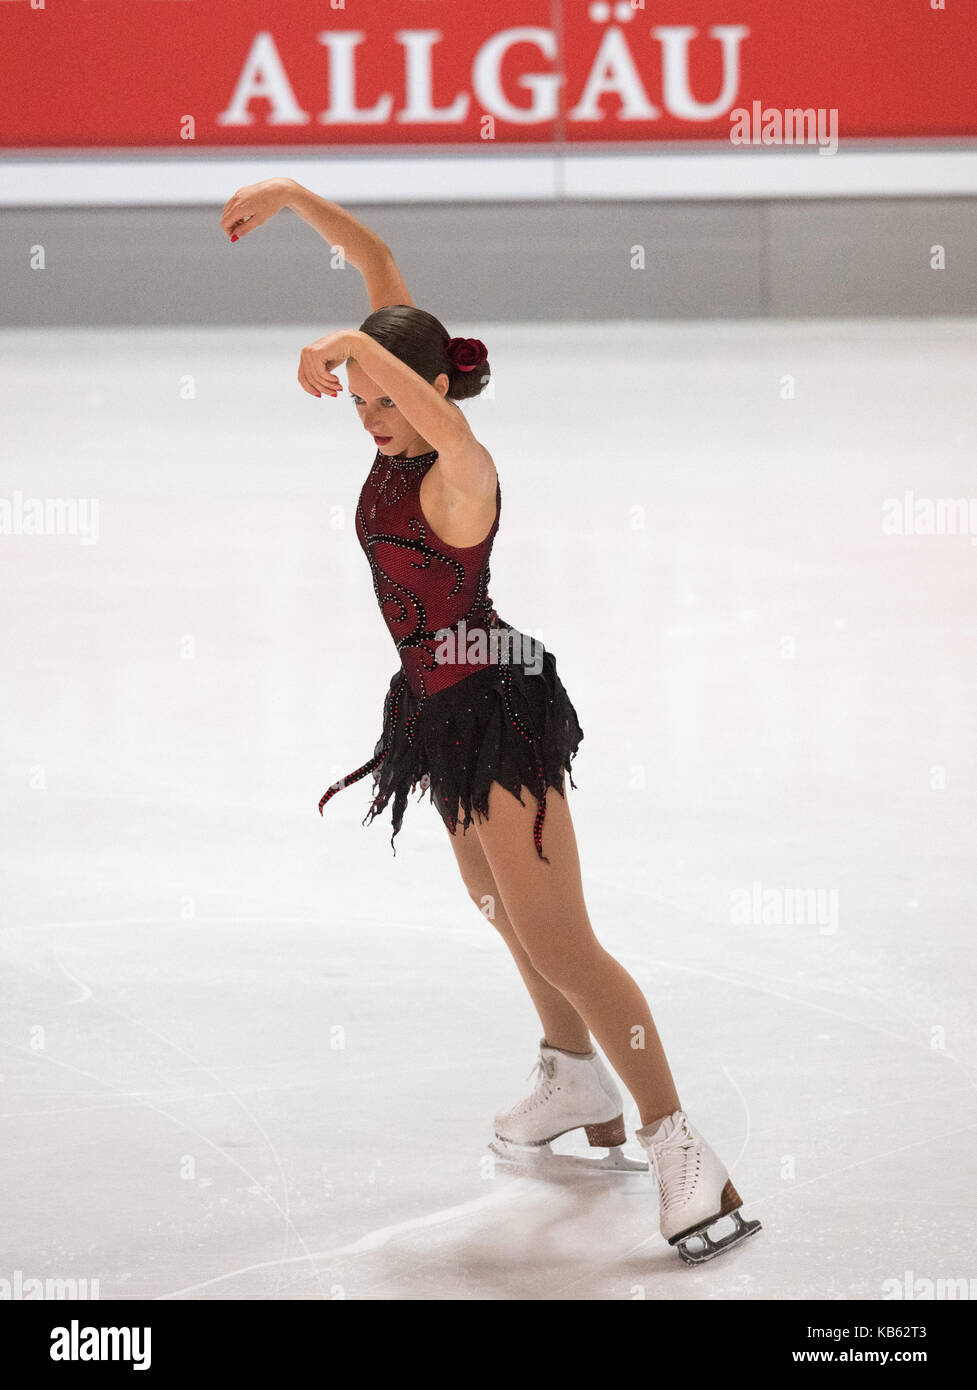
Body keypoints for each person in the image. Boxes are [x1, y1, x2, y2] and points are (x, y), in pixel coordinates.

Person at [220, 178, 761, 1265]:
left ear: (425, 392)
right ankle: (570, 1070)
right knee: (489, 897)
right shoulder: (399, 423)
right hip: (434, 700)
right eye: (359, 400)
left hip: (496, 698)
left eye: (383, 397)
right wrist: (291, 198)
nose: (368, 418)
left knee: (560, 931)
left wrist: (343, 345)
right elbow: (377, 263)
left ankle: (679, 1143)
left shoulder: (460, 468)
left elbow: (417, 392)